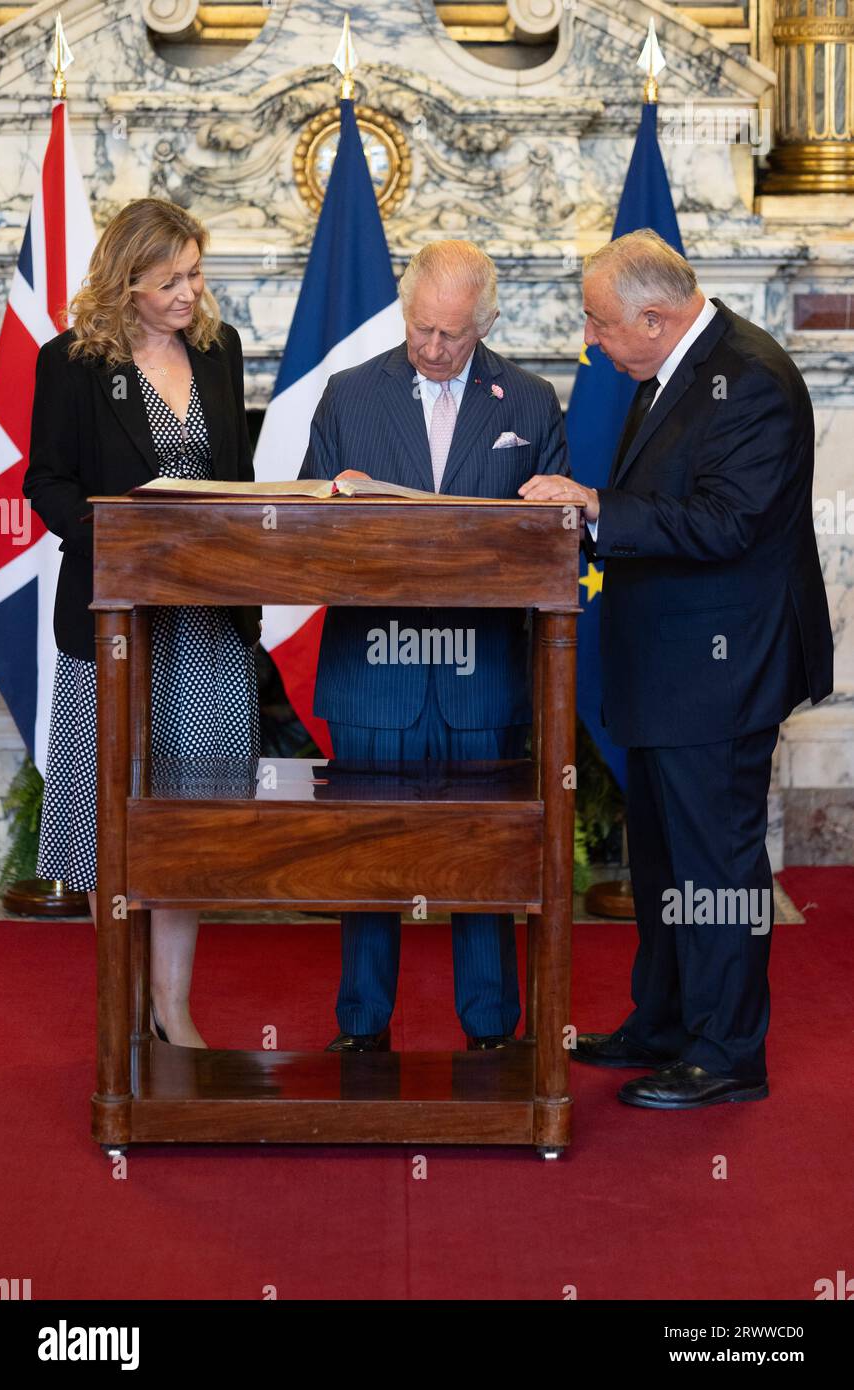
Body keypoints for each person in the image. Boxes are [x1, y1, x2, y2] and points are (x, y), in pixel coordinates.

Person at [520, 228, 833, 1108]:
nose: (590, 340)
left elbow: (727, 524)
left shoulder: (752, 381)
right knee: (662, 858)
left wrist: (594, 505)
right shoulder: (675, 367)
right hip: (670, 666)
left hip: (721, 672)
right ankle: (664, 1022)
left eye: (599, 322)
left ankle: (728, 1053)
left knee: (718, 867)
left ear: (655, 318)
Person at [299, 239, 569, 1052]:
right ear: (406, 311)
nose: (434, 348)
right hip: (371, 673)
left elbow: (556, 545)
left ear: (484, 323)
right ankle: (361, 1030)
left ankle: (492, 1034)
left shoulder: (528, 401)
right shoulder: (348, 394)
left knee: (483, 860)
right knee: (368, 856)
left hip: (481, 674)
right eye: (422, 329)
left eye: (453, 334)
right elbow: (307, 538)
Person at [23, 198, 261, 1049]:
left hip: (206, 624)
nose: (191, 294)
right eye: (171, 281)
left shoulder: (219, 351)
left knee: (186, 823)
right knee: (108, 819)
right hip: (114, 623)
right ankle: (124, 1005)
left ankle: (173, 1008)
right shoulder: (72, 364)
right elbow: (43, 483)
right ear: (126, 283)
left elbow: (238, 472)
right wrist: (119, 536)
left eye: (195, 274)